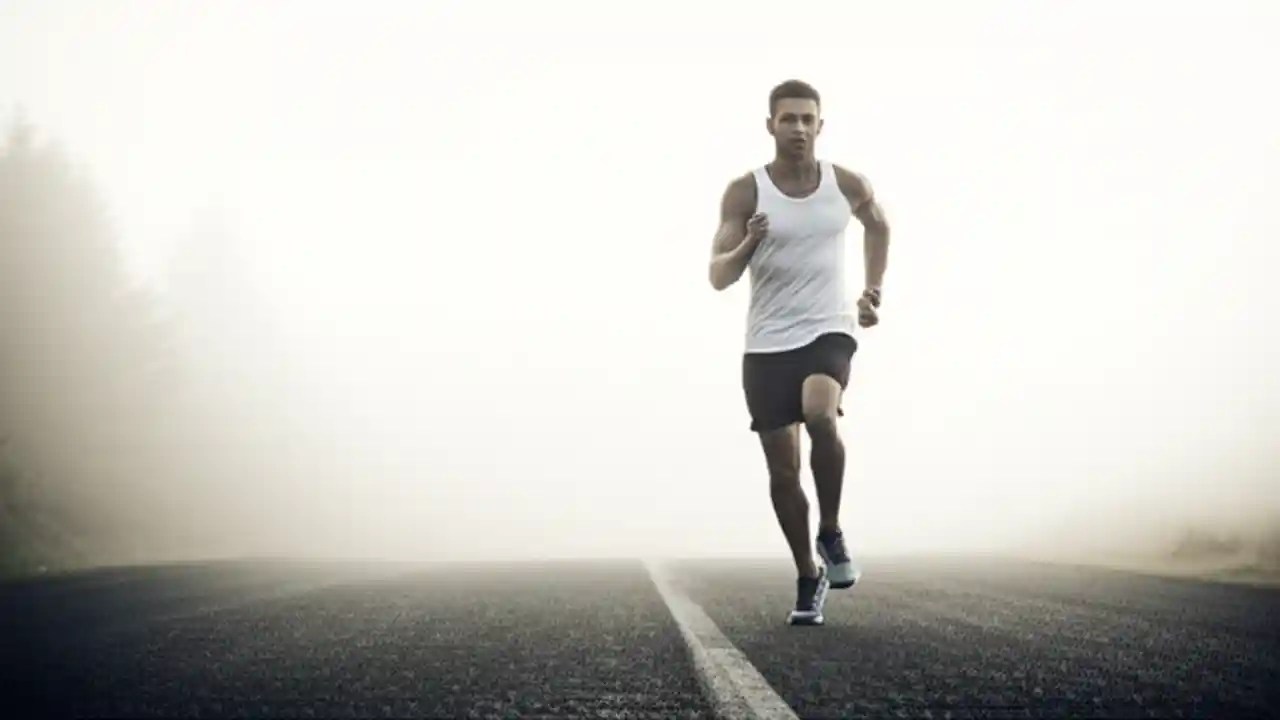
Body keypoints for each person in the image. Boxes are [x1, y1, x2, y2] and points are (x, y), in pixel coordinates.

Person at [707, 79, 890, 626]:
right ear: (771, 125)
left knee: (819, 412)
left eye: (808, 119)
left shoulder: (846, 184)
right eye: (788, 119)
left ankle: (830, 532)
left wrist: (873, 291)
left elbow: (878, 224)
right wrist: (749, 242)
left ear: (820, 125)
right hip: (766, 344)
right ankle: (808, 576)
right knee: (783, 474)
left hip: (828, 330)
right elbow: (718, 275)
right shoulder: (746, 193)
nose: (799, 129)